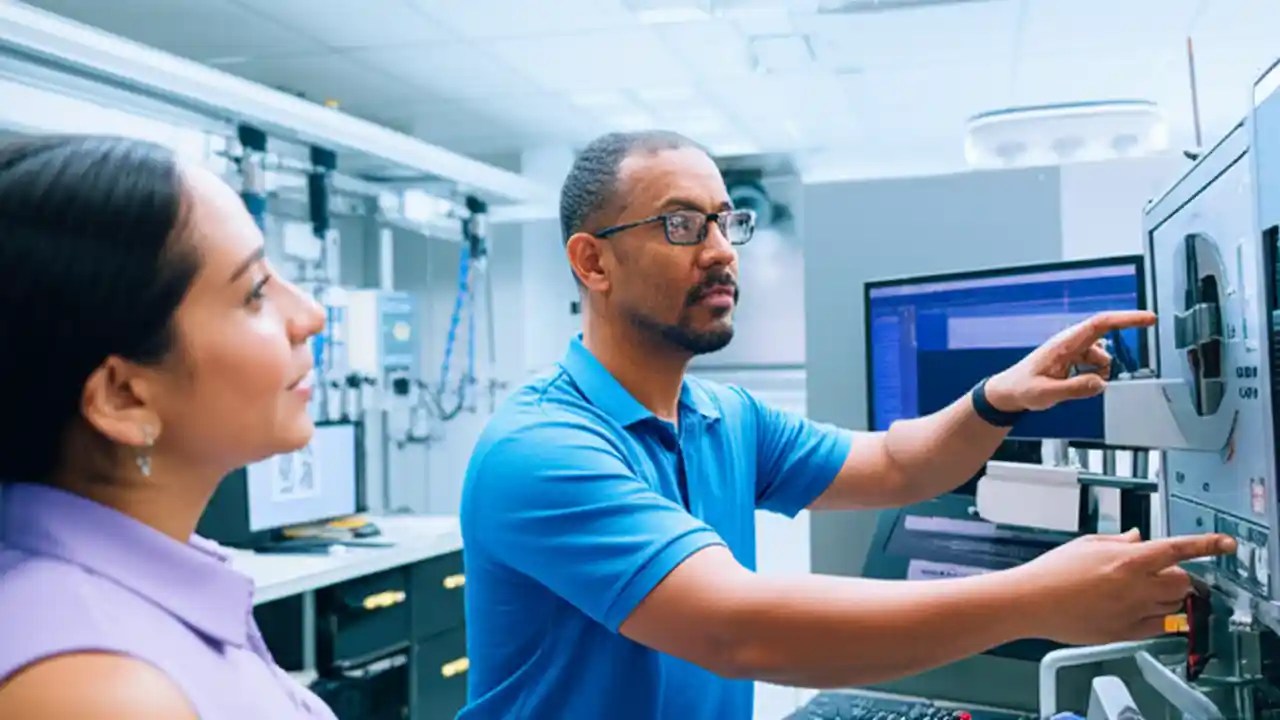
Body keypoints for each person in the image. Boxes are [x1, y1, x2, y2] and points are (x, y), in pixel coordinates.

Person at [458, 129, 1237, 720]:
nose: (722, 251)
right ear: (593, 263)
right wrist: (1035, 598)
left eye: (727, 223)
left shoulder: (722, 417)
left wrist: (999, 397)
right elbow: (740, 632)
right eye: (681, 225)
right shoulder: (543, 452)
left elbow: (900, 467)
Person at [0, 135, 337, 719]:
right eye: (255, 292)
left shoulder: (143, 592)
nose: (310, 314)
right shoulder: (97, 689)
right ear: (125, 398)